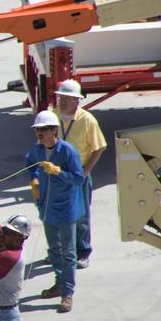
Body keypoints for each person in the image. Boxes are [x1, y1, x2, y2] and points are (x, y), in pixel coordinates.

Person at [25, 109, 84, 314]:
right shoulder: (37, 150)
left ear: (54, 131)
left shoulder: (68, 152)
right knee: (54, 250)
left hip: (66, 208)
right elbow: (29, 163)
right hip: (48, 207)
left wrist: (58, 172)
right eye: (37, 130)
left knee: (68, 252)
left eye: (43, 130)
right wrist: (34, 179)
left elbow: (78, 179)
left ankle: (67, 293)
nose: (39, 134)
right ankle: (59, 282)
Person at [52, 79, 106, 269]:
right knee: (56, 212)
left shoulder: (87, 120)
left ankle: (82, 252)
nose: (63, 101)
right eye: (61, 98)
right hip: (56, 173)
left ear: (77, 101)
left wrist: (85, 172)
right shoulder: (52, 116)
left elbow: (99, 147)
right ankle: (58, 251)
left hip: (77, 173)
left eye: (68, 98)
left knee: (80, 215)